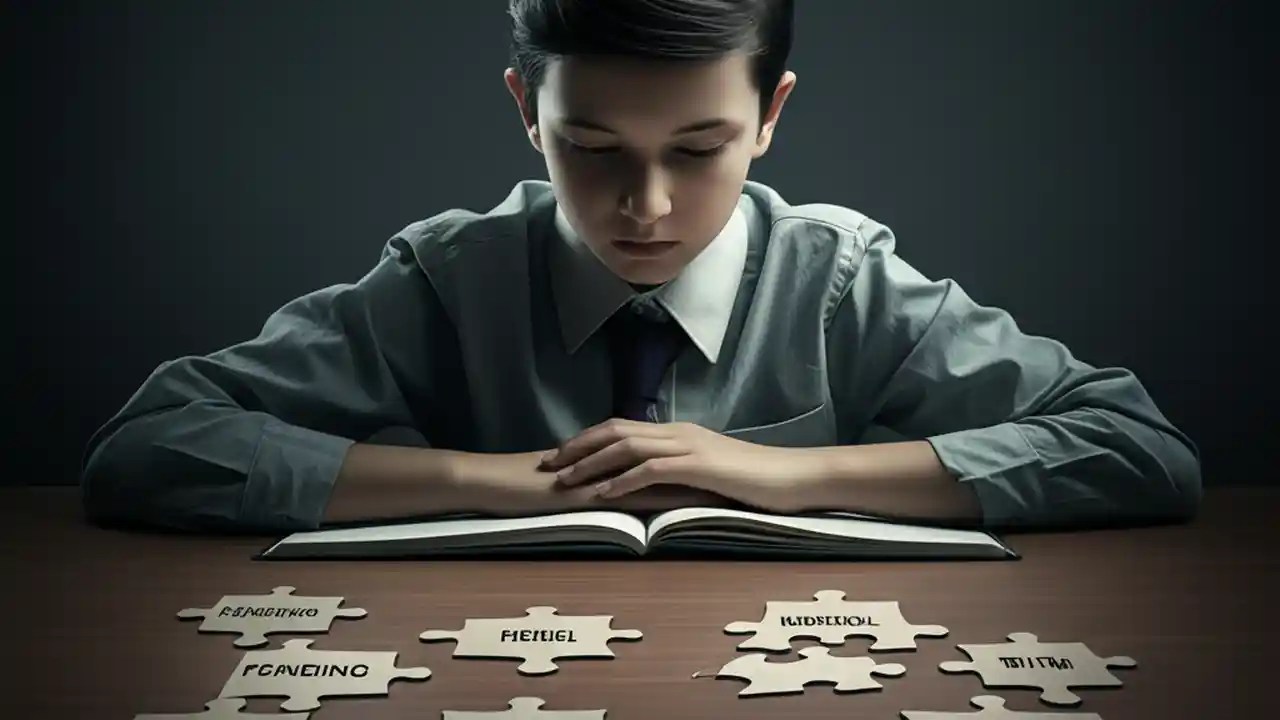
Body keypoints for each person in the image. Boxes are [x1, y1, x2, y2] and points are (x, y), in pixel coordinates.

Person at [79, 0, 1201, 534]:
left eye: (698, 149)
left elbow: (1136, 448)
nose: (646, 208)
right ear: (527, 110)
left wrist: (774, 472)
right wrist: (504, 480)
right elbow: (149, 444)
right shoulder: (444, 278)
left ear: (769, 117)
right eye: (591, 147)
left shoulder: (844, 282)